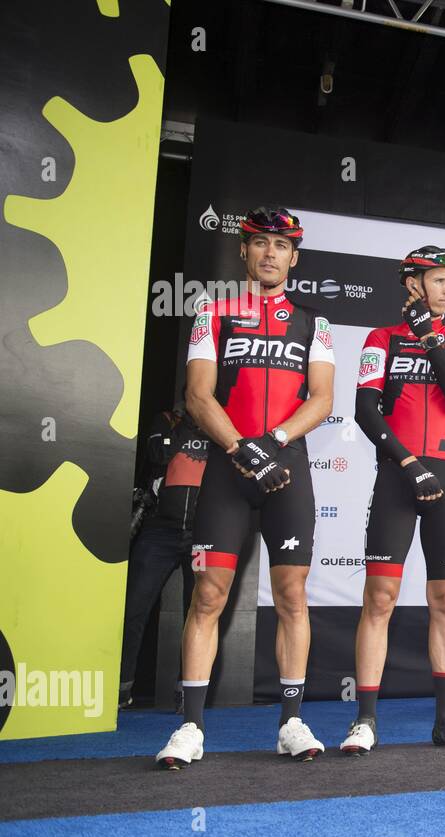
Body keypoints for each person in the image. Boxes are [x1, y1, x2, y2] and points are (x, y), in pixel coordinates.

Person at [156, 207, 335, 768]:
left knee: (292, 598)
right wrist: (241, 449)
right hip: (228, 472)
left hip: (287, 470)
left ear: (294, 257)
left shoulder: (315, 322)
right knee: (207, 596)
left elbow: (323, 399)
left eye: (281, 245)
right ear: (244, 252)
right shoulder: (213, 312)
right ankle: (190, 726)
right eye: (260, 243)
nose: (270, 253)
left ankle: (291, 722)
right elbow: (198, 396)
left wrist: (272, 441)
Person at [339, 246, 445, 754]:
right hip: (398, 477)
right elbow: (367, 411)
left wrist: (430, 339)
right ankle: (364, 720)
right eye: (437, 279)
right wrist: (408, 464)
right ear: (412, 283)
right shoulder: (379, 339)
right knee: (379, 600)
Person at [120, 407, 208, 709]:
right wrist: (187, 426)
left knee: (198, 611)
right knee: (134, 606)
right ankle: (121, 689)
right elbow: (157, 453)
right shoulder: (168, 419)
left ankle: (188, 690)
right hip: (160, 531)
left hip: (202, 533)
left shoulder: (223, 423)